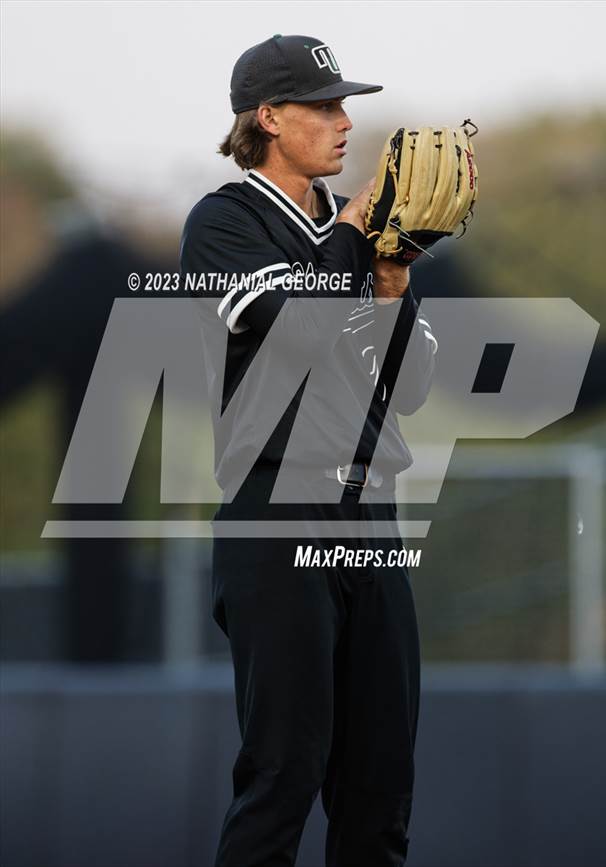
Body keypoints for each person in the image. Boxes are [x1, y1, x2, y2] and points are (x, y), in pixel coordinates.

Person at [179, 34, 437, 867]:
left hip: (371, 517)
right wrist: (357, 234)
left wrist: (394, 286)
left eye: (344, 104)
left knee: (380, 792)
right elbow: (294, 327)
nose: (344, 120)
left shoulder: (355, 234)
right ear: (267, 117)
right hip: (277, 513)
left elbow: (411, 385)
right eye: (324, 105)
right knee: (282, 778)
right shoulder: (226, 220)